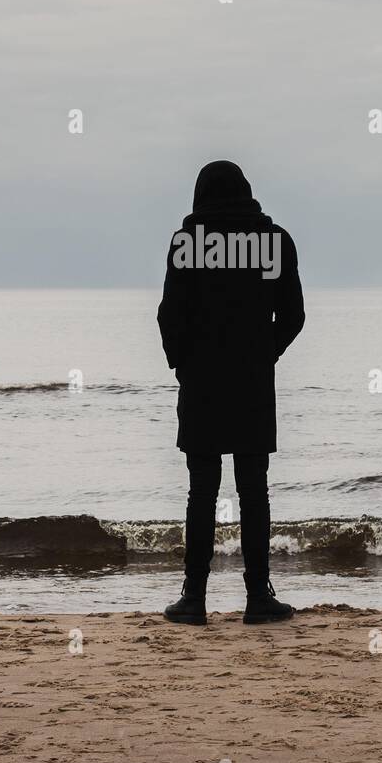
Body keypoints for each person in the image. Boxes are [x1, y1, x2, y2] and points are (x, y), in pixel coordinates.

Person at [157, 160, 305, 625]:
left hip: (201, 383)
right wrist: (266, 353)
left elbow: (168, 317)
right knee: (254, 490)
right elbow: (294, 315)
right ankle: (258, 598)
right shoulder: (273, 241)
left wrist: (183, 364)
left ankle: (194, 598)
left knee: (201, 489)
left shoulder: (187, 244)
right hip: (252, 383)